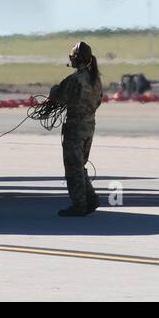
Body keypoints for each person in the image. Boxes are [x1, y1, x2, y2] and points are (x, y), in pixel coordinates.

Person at [49, 41, 104, 217]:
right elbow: (98, 101)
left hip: (75, 128)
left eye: (71, 56)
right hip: (89, 126)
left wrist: (53, 91)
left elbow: (58, 97)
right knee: (80, 166)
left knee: (73, 168)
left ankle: (79, 205)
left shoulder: (75, 79)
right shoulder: (95, 79)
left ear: (76, 58)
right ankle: (91, 198)